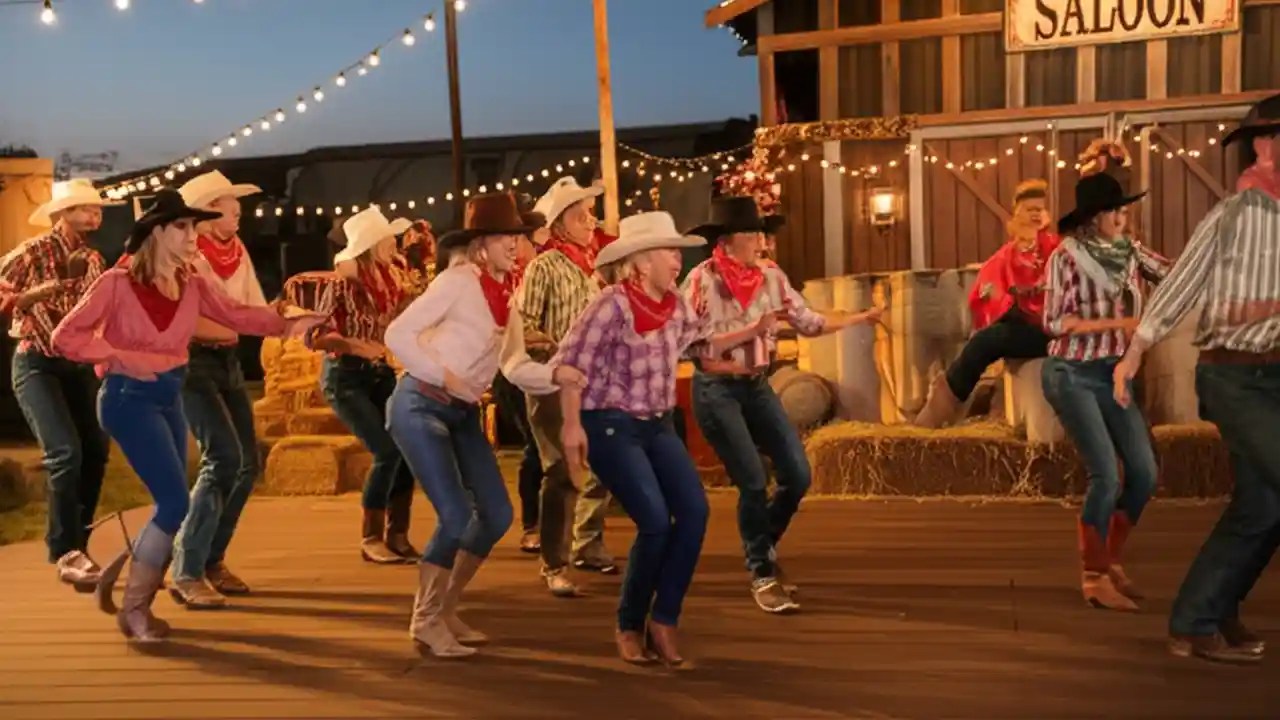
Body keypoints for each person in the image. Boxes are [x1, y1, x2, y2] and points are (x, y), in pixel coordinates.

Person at [50, 188, 319, 642]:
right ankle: (135, 610)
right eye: (182, 226)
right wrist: (117, 355)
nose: (193, 235)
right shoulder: (115, 284)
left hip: (169, 396)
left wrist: (289, 322)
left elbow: (237, 314)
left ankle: (131, 583)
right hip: (126, 399)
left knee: (172, 504)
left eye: (194, 226)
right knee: (176, 502)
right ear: (155, 232)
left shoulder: (192, 282)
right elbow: (65, 336)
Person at [556, 211, 773, 666]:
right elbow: (569, 365)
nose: (679, 259)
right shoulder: (610, 305)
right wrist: (571, 425)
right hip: (610, 424)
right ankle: (629, 623)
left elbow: (702, 345)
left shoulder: (674, 305)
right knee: (655, 522)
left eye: (678, 251)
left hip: (656, 423)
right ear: (639, 261)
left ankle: (665, 619)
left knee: (694, 513)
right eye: (669, 251)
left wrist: (751, 336)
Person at [1113, 93, 1280, 664]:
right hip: (1234, 377)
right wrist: (1136, 349)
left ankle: (1208, 609)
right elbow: (1182, 280)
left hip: (1275, 378)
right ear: (1265, 146)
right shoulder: (1235, 215)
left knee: (1264, 506)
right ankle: (1199, 615)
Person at [383, 193, 584, 658]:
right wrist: (442, 374)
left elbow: (513, 366)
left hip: (461, 412)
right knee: (454, 515)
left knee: (496, 514)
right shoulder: (456, 282)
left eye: (517, 236)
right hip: (420, 404)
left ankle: (445, 609)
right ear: (478, 245)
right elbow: (398, 334)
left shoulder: (506, 297)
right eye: (503, 238)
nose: (515, 245)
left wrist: (554, 373)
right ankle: (425, 619)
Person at [682, 196, 880, 614]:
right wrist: (752, 330)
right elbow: (689, 344)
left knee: (798, 473)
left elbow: (809, 322)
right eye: (752, 232)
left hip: (757, 385)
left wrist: (859, 318)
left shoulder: (771, 276)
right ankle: (762, 573)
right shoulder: (701, 280)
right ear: (728, 239)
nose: (760, 240)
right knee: (753, 479)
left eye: (761, 231)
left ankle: (762, 544)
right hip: (716, 388)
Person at [1039, 172, 1170, 613]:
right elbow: (1054, 323)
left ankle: (1110, 559)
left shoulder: (1131, 252)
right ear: (1094, 217)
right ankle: (1093, 576)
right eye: (1116, 209)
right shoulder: (1065, 258)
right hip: (1071, 373)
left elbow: (1173, 276)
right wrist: (1119, 325)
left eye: (1124, 208)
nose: (1123, 215)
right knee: (1106, 474)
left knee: (1145, 472)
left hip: (1114, 373)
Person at [0, 179, 111, 592]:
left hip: (78, 363)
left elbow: (101, 309)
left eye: (97, 209)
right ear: (62, 213)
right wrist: (30, 297)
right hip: (36, 363)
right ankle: (65, 550)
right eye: (85, 208)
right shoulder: (31, 252)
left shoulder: (94, 258)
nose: (94, 215)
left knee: (97, 450)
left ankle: (77, 546)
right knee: (65, 451)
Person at [167, 171, 269, 609]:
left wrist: (282, 317)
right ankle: (185, 568)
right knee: (224, 457)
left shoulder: (236, 251)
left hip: (226, 359)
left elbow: (252, 306)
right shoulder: (184, 259)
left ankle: (211, 558)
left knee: (247, 461)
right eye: (233, 210)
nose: (239, 218)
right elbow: (190, 317)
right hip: (193, 361)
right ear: (208, 211)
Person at [516, 176, 616, 598]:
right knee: (559, 469)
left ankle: (586, 542)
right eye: (582, 216)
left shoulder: (587, 266)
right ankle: (554, 563)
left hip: (590, 381)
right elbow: (521, 326)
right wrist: (557, 345)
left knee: (601, 460)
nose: (591, 221)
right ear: (559, 225)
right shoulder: (543, 266)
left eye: (590, 214)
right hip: (551, 380)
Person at [305, 207, 420, 564]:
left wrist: (411, 305)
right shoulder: (342, 284)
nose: (394, 243)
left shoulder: (390, 277)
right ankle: (370, 537)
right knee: (386, 450)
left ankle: (397, 534)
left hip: (379, 372)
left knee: (406, 448)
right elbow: (315, 334)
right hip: (346, 376)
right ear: (370, 245)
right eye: (387, 238)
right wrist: (354, 344)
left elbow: (394, 321)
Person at [914, 179, 1060, 427]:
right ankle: (942, 405)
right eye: (1029, 209)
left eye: (1040, 209)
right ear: (1016, 215)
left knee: (989, 341)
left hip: (1056, 329)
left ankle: (939, 407)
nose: (1035, 214)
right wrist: (1001, 299)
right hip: (1024, 325)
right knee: (989, 338)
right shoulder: (1005, 256)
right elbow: (985, 293)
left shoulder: (1057, 248)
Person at [491, 207, 548, 553]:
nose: (517, 246)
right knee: (536, 446)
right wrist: (538, 337)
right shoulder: (504, 278)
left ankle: (547, 522)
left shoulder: (532, 272)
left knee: (545, 447)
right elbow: (499, 331)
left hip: (537, 369)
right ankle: (532, 524)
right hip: (510, 371)